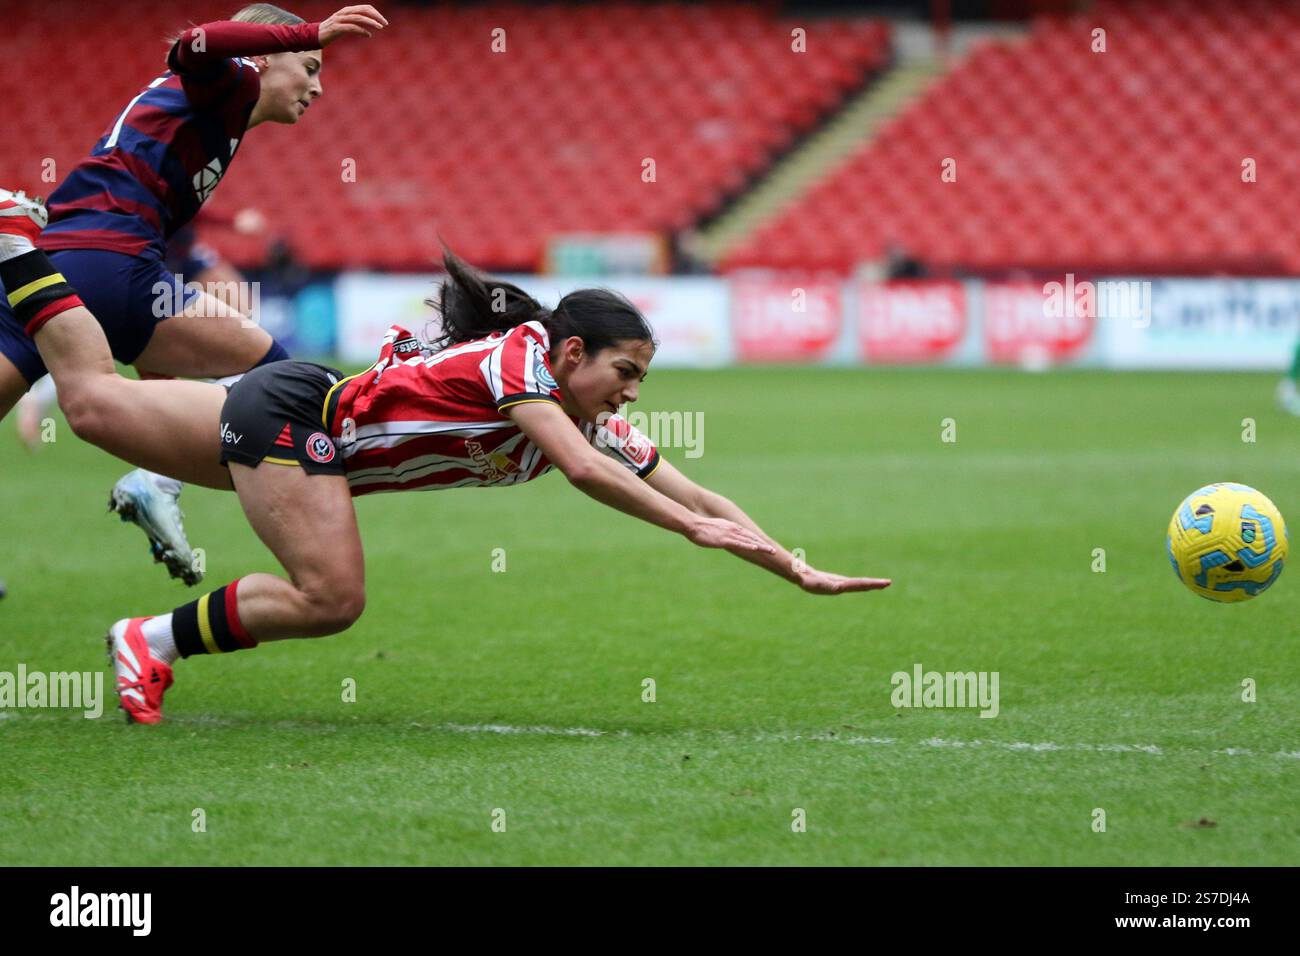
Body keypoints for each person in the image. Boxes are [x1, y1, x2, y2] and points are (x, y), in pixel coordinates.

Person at [0, 204, 892, 725]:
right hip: (297, 418)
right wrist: (693, 533)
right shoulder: (522, 364)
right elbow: (584, 475)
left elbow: (691, 486)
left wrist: (785, 559)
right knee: (333, 596)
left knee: (86, 403)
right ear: (574, 350)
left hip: (301, 425)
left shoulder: (582, 410)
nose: (629, 396)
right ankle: (151, 639)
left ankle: (13, 241)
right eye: (624, 374)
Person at [0, 3, 387, 583]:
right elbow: (196, 42)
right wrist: (311, 29)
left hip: (56, 263)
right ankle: (156, 483)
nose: (318, 86)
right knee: (274, 373)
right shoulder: (227, 81)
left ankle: (155, 482)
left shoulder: (218, 111)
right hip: (113, 265)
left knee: (167, 391)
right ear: (261, 56)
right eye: (308, 67)